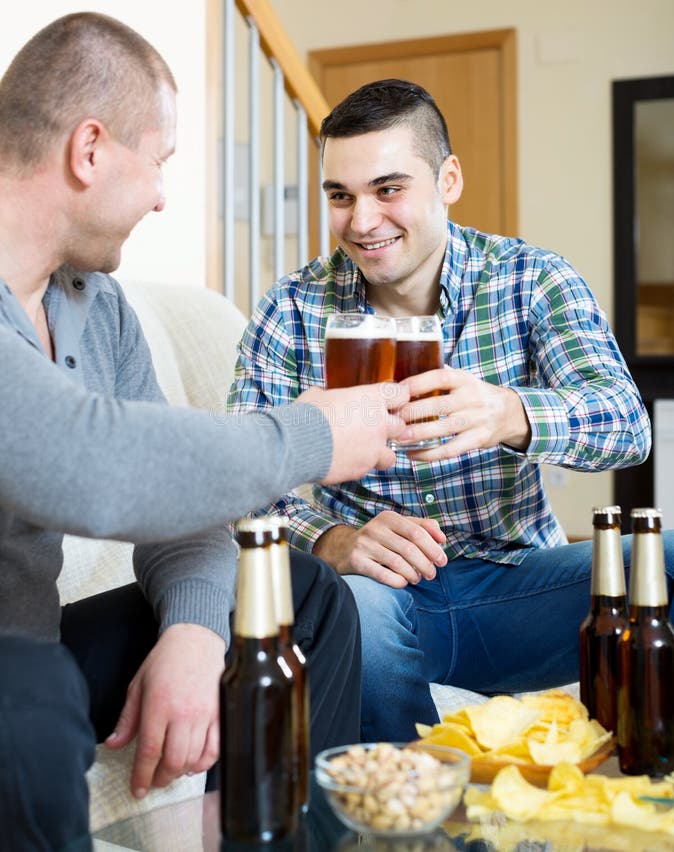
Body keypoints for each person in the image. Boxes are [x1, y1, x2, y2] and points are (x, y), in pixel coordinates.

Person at [0, 15, 409, 850]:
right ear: (90, 149)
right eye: (160, 162)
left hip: (35, 649)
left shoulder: (93, 302)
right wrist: (312, 434)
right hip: (13, 672)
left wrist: (194, 629)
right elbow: (87, 463)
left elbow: (176, 501)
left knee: (303, 597)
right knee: (28, 699)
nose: (161, 194)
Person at [228, 78, 674, 743]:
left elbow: (626, 425)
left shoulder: (531, 278)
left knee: (663, 559)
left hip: (518, 584)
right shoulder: (291, 309)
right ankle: (418, 822)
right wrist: (333, 540)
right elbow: (238, 478)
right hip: (377, 596)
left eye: (388, 189)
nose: (362, 221)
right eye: (341, 196)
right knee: (354, 606)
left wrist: (510, 413)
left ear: (449, 180)